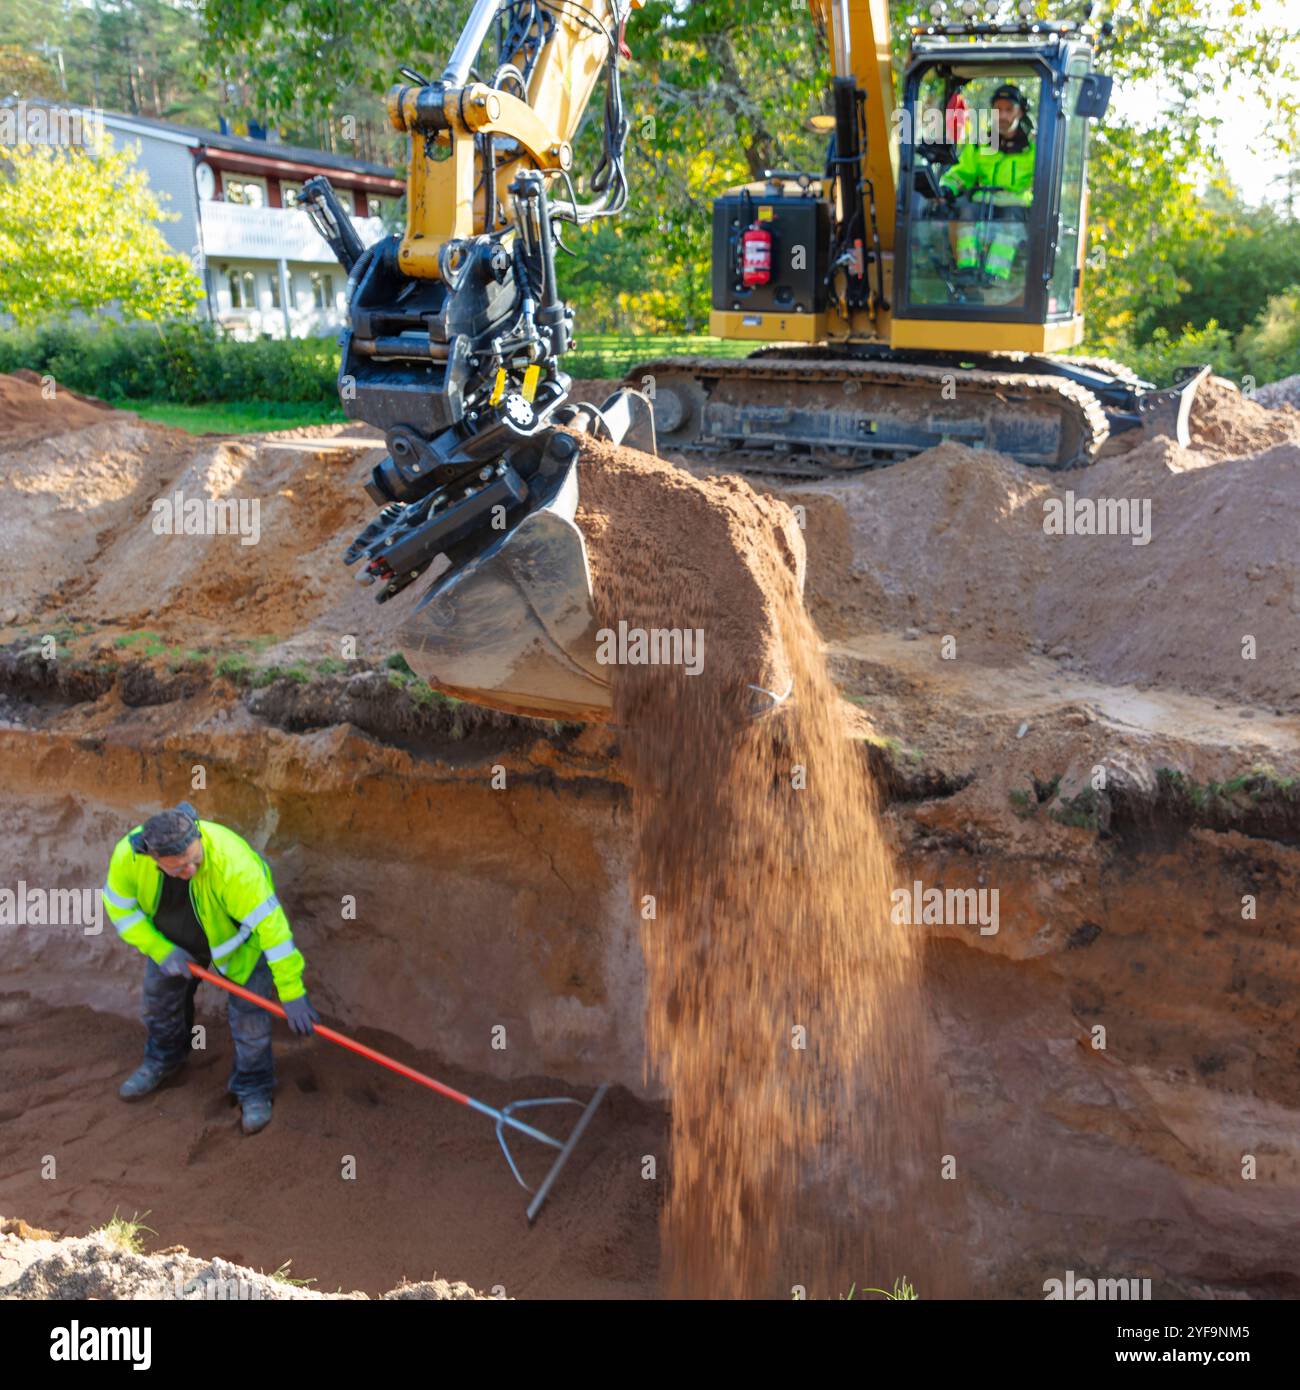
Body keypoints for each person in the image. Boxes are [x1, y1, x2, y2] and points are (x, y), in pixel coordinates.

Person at [103, 802, 320, 1135]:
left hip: (237, 945)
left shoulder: (235, 866)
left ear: (197, 835)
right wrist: (162, 951)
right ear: (151, 857)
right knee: (159, 1003)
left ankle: (253, 1088)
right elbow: (120, 910)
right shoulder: (128, 857)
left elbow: (274, 933)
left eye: (195, 859)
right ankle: (164, 1059)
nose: (191, 868)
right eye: (179, 868)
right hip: (173, 942)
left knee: (250, 1021)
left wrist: (292, 992)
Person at [936, 83, 1037, 287]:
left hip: (1015, 206)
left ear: (1020, 112)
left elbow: (1044, 183)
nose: (1003, 115)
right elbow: (962, 172)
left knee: (1010, 221)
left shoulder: (1034, 148)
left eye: (1009, 110)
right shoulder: (981, 143)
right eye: (998, 110)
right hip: (983, 202)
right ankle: (967, 268)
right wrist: (947, 188)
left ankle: (995, 274)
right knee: (965, 212)